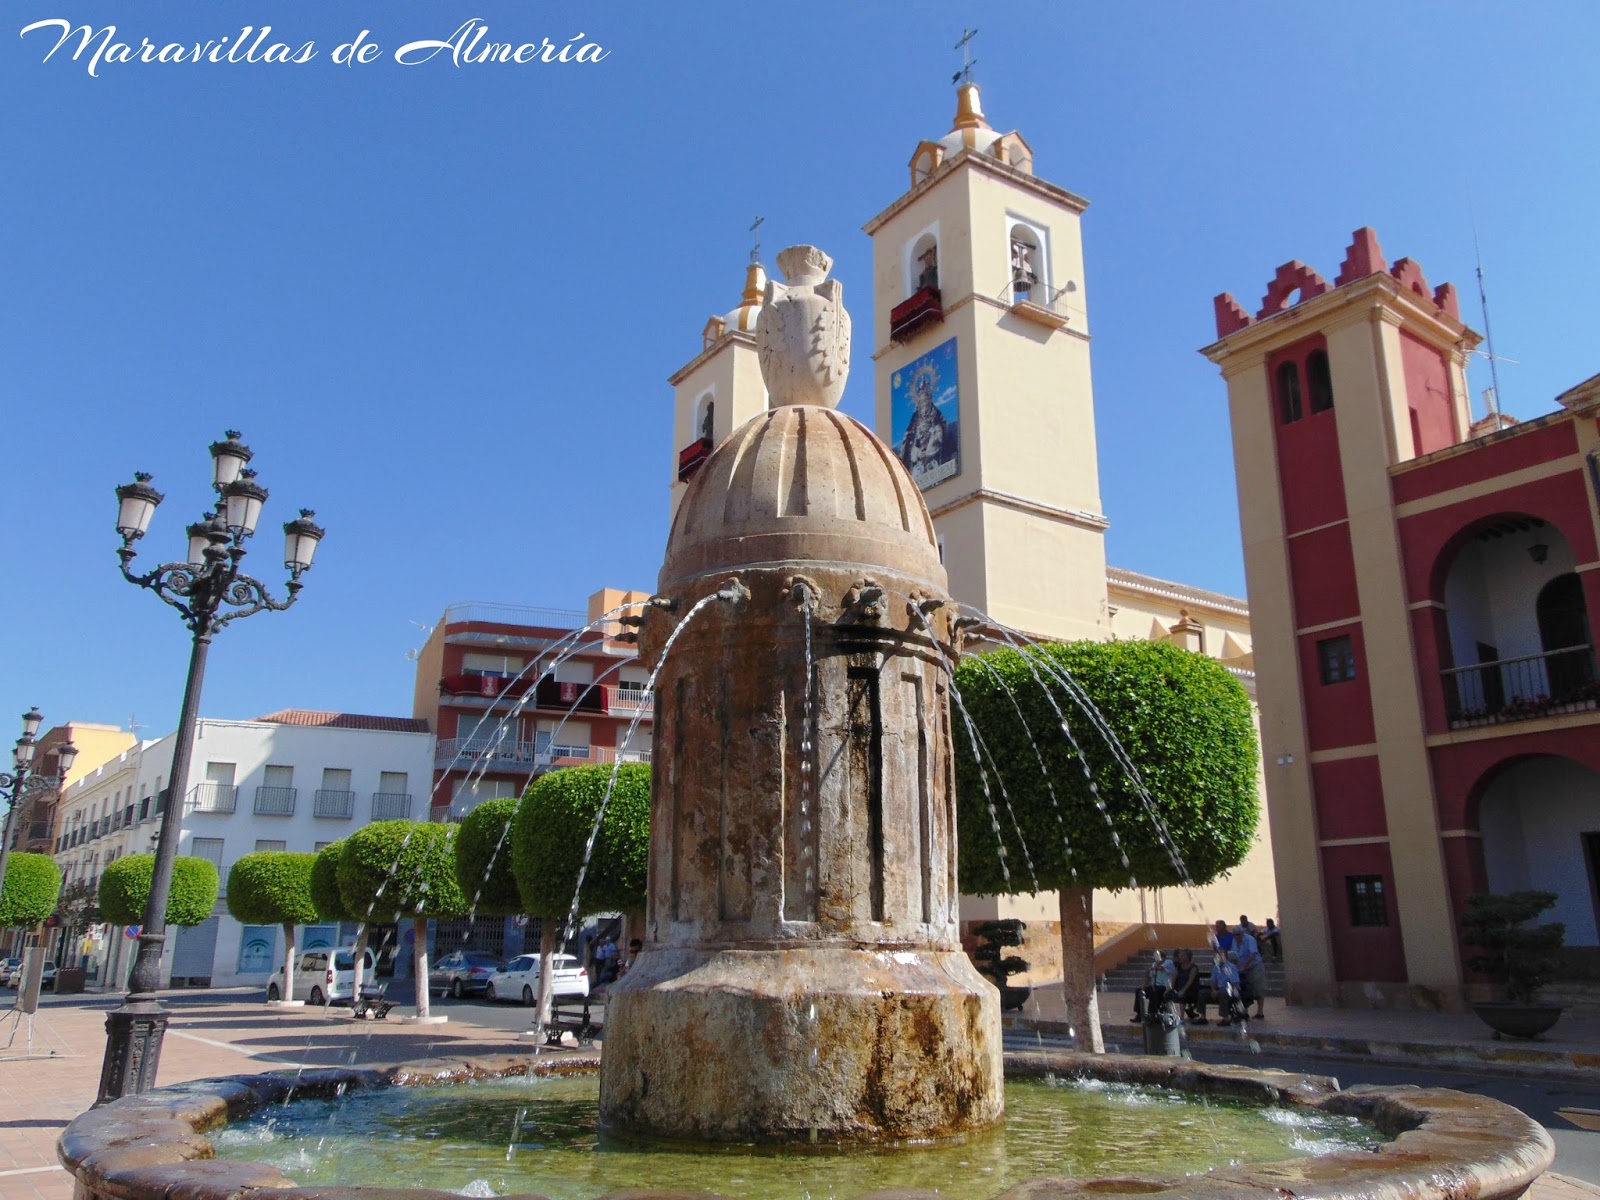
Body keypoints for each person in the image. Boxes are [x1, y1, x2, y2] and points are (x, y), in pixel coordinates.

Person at [1234, 925, 1267, 1019]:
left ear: (1242, 933)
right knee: (1245, 990)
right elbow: (1234, 954)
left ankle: (1260, 1012)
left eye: (1238, 934)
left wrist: (1244, 966)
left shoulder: (1250, 939)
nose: (1236, 936)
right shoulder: (1234, 941)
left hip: (1255, 966)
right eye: (1234, 935)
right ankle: (1245, 1012)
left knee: (1258, 988)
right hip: (1242, 968)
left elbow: (1253, 954)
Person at [1209, 950, 1244, 1025]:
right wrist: (1213, 990)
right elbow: (1212, 981)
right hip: (1219, 990)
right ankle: (1202, 1017)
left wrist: (1220, 991)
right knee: (1202, 993)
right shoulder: (1215, 968)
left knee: (1223, 993)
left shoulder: (1231, 967)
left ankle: (1226, 1019)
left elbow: (1234, 983)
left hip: (1232, 990)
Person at [1169, 948, 1204, 1023]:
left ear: (1187, 957)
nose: (1179, 957)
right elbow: (1173, 979)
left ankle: (1181, 1017)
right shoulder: (1178, 967)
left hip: (1191, 990)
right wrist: (1170, 989)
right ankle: (1170, 1015)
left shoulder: (1193, 968)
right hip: (1179, 989)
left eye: (1181, 955)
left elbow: (1190, 981)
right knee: (1167, 995)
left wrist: (1183, 991)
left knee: (1183, 996)